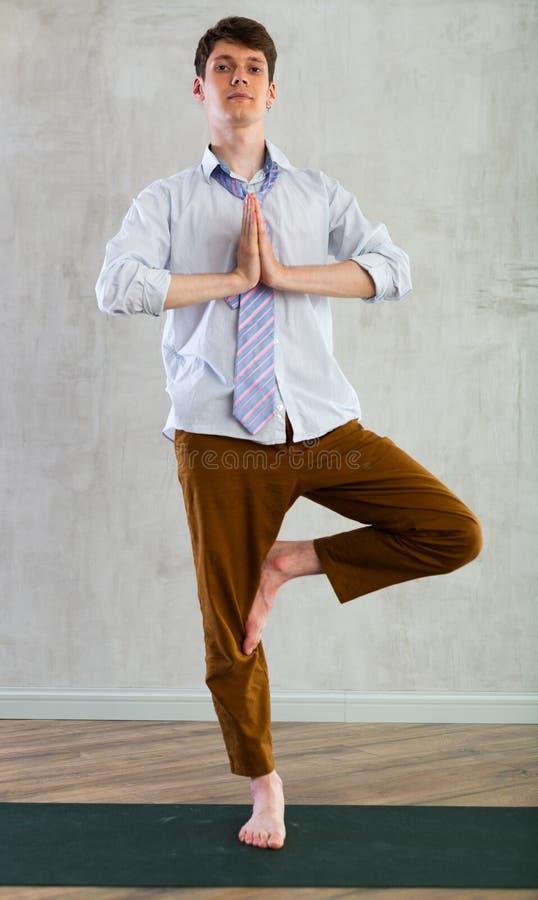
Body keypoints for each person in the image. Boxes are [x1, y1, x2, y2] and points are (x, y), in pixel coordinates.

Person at [95, 15, 482, 851]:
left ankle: (291, 560)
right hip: (218, 440)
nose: (239, 78)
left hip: (318, 427)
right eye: (222, 67)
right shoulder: (163, 201)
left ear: (273, 91)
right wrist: (229, 280)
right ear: (198, 89)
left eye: (253, 67)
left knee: (453, 530)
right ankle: (265, 785)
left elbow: (394, 270)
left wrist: (282, 276)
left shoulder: (316, 195)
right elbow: (116, 287)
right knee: (228, 631)